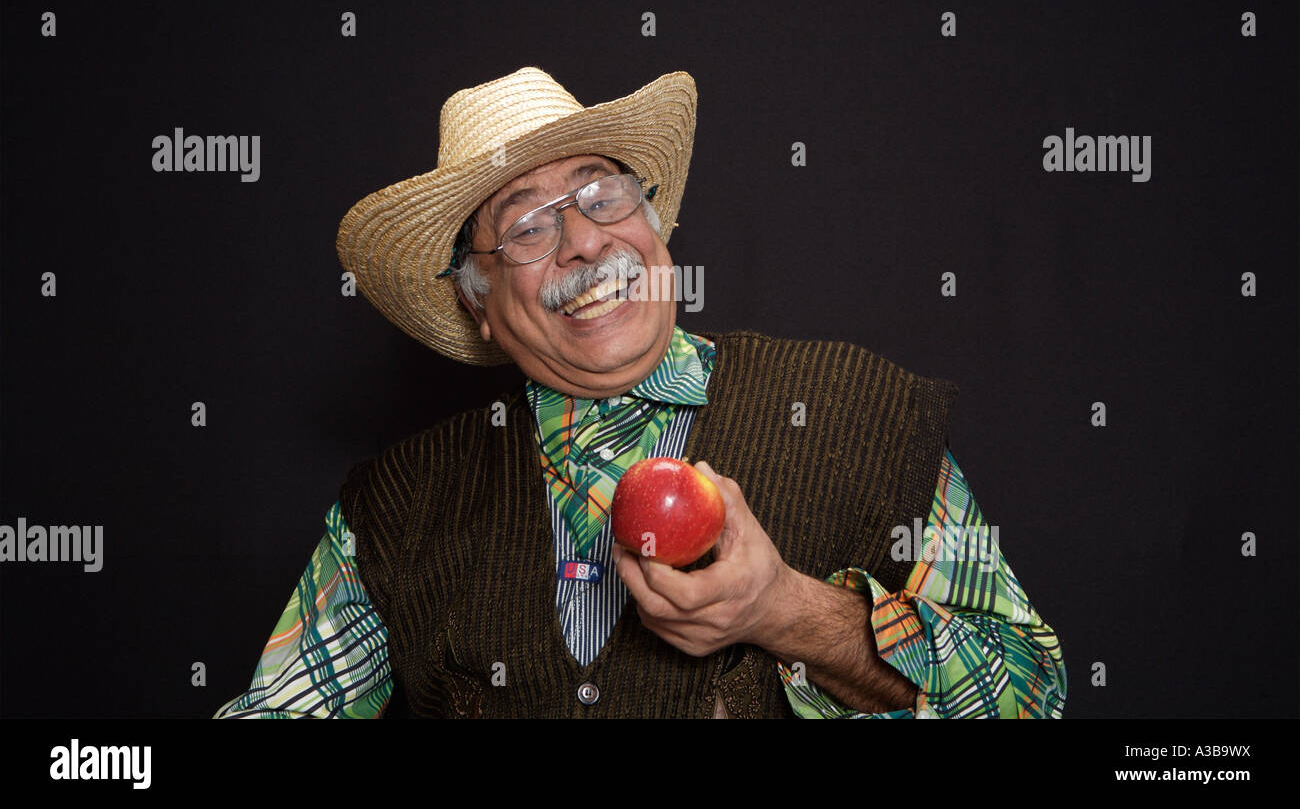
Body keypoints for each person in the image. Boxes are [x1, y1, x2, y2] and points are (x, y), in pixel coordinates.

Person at [215, 66, 1066, 718]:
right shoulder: (396, 509)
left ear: (654, 223)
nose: (584, 241)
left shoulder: (860, 411)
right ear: (477, 302)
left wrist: (786, 610)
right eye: (526, 225)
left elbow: (1032, 694)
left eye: (601, 193)